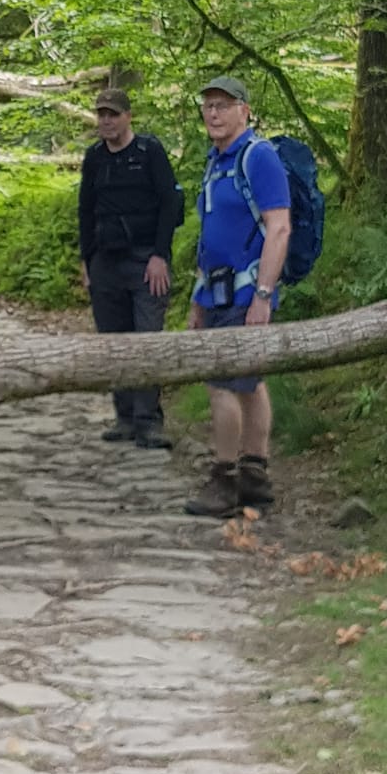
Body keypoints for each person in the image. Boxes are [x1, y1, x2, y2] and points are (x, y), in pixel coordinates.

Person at [184, 74, 292, 517]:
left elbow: (279, 227)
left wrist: (263, 295)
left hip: (247, 292)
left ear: (244, 111)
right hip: (216, 293)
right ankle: (255, 476)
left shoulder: (258, 156)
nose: (214, 113)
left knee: (222, 384)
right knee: (248, 383)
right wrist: (197, 300)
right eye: (208, 106)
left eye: (223, 105)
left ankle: (225, 478)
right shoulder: (216, 161)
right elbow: (210, 238)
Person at [78, 86, 183, 450]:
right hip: (105, 261)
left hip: (145, 259)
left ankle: (148, 421)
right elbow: (85, 209)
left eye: (113, 114)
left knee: (147, 340)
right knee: (113, 342)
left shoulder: (149, 151)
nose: (106, 121)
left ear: (128, 116)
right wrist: (87, 260)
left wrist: (160, 255)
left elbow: (170, 203)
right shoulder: (94, 158)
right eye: (101, 114)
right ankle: (124, 417)